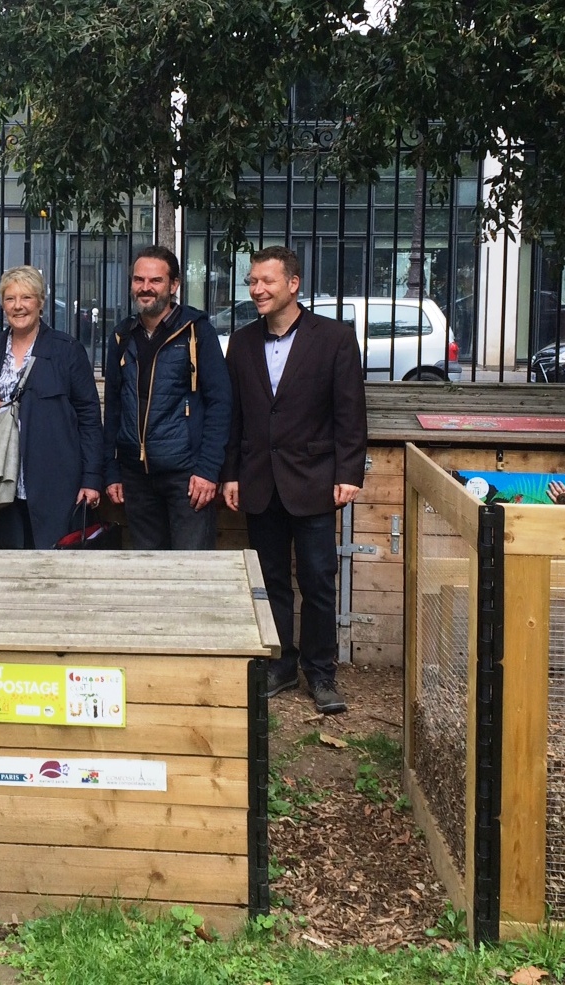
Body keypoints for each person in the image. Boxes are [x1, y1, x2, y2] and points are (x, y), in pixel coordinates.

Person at [221, 246, 368, 714]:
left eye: (266, 281)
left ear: (293, 284)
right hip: (259, 482)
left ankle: (321, 673)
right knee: (272, 581)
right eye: (252, 282)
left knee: (319, 581)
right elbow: (234, 416)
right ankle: (282, 666)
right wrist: (230, 475)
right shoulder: (242, 342)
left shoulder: (335, 339)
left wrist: (349, 472)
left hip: (315, 481)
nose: (257, 290)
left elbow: (350, 412)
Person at [102, 245, 231, 549]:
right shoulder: (122, 336)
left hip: (186, 477)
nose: (145, 288)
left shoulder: (197, 332)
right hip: (136, 476)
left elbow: (220, 404)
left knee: (191, 570)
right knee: (150, 572)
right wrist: (111, 470)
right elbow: (114, 408)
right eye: (138, 280)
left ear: (173, 286)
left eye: (155, 280)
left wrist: (207, 471)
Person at [0, 265, 103, 548]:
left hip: (55, 482)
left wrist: (91, 479)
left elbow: (89, 417)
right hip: (1, 483)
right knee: (10, 563)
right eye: (10, 299)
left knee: (53, 566)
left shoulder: (66, 350)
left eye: (27, 298)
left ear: (41, 302)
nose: (18, 306)